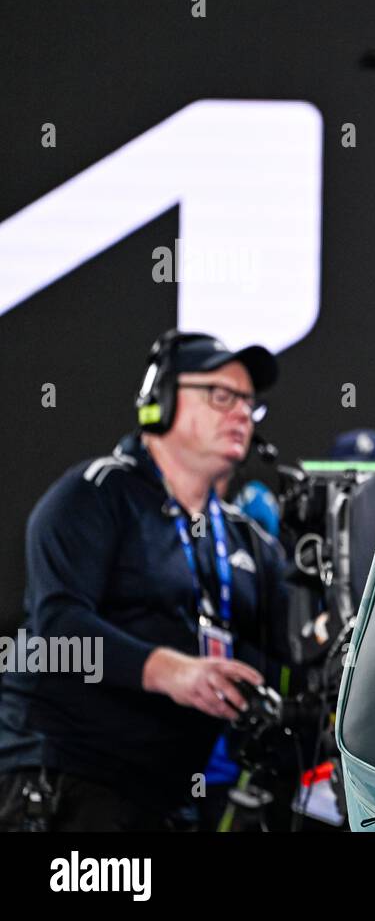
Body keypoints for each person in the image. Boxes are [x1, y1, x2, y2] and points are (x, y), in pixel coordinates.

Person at [0, 330, 295, 831]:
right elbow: (56, 631)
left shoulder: (252, 545)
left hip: (177, 795)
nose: (242, 412)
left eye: (249, 402)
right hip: (71, 777)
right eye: (221, 395)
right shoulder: (94, 493)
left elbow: (275, 667)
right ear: (160, 401)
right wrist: (171, 671)